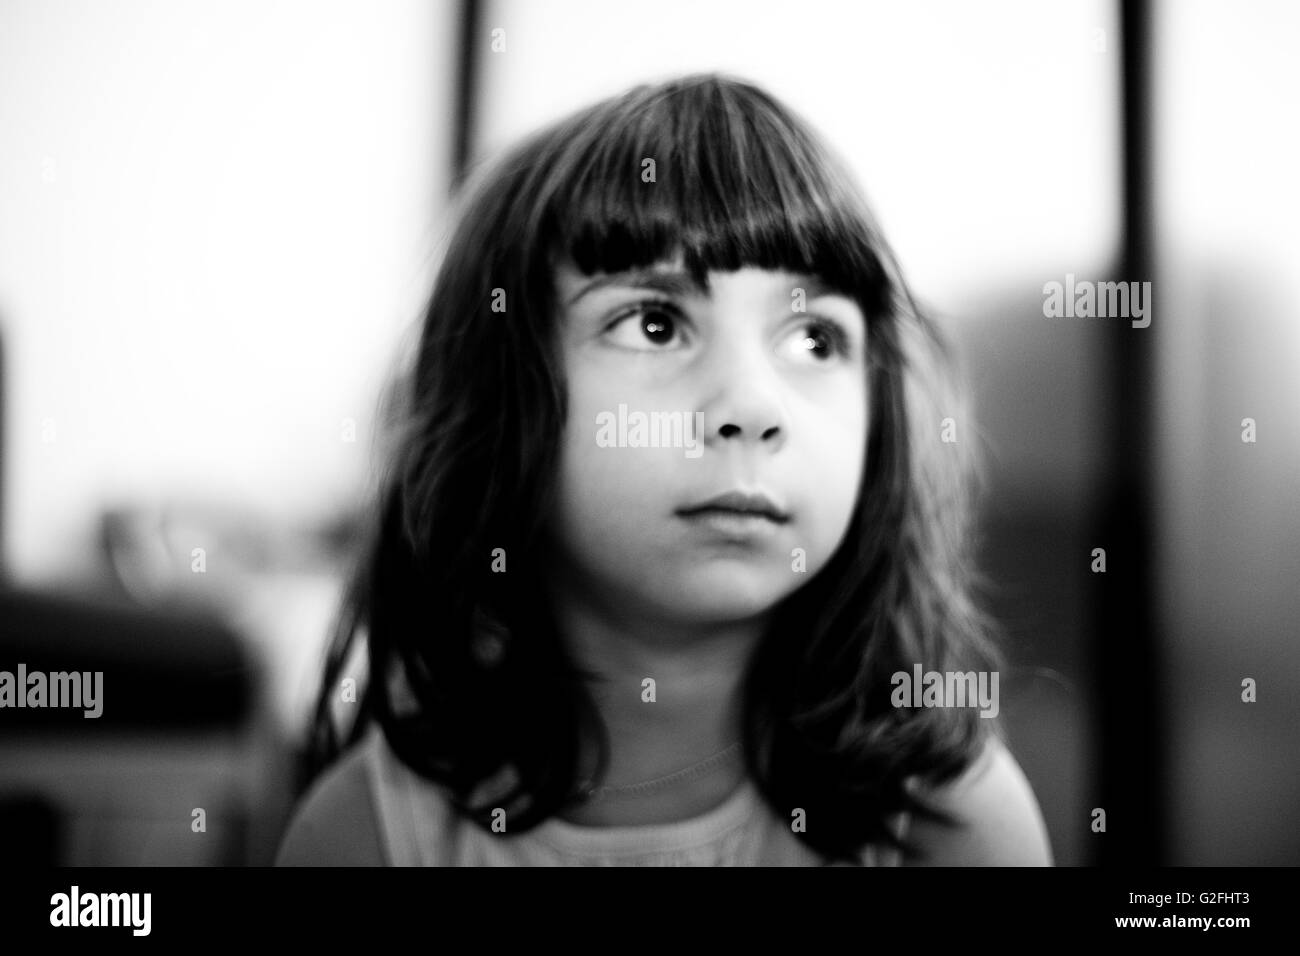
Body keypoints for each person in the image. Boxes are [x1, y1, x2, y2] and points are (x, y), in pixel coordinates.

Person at [276, 73, 1052, 866]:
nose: (753, 406)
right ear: (500, 399)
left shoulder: (948, 825)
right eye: (655, 323)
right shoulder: (363, 837)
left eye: (815, 338)